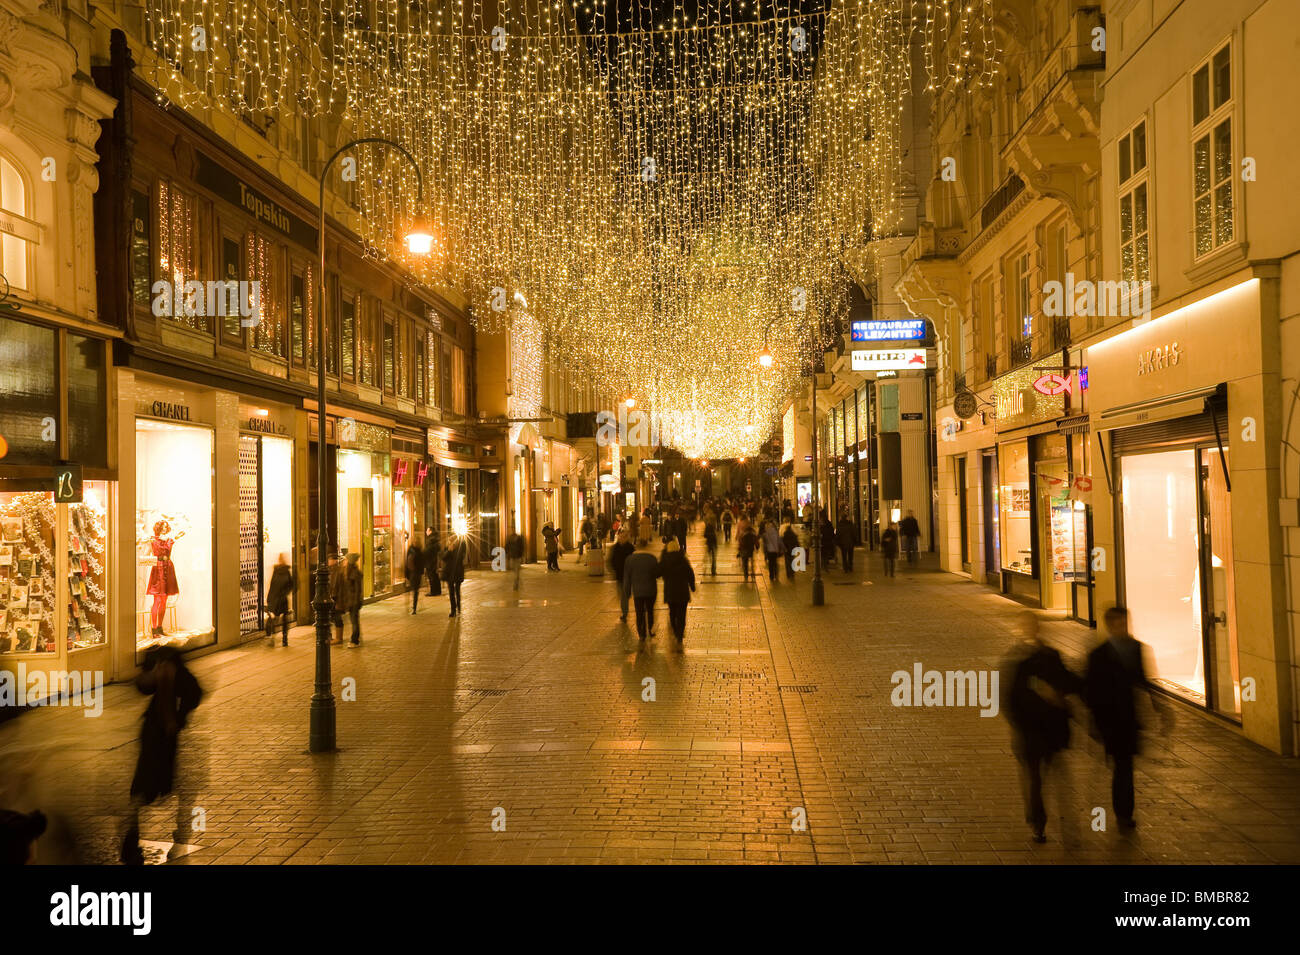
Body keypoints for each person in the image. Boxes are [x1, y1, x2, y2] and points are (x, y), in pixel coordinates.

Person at [1084, 605, 1171, 830]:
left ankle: (1125, 812)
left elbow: (1144, 680)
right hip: (1110, 721)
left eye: (1125, 623)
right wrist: (1094, 723)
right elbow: (1091, 692)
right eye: (1119, 624)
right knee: (1122, 767)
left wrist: (1161, 707)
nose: (1124, 628)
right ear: (1110, 626)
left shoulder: (1137, 649)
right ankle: (1123, 813)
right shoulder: (1098, 656)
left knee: (1125, 767)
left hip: (1130, 720)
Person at [1003, 612, 1083, 843]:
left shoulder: (1051, 655)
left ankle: (1068, 822)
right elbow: (1011, 699)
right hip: (1030, 731)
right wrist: (1021, 725)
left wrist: (1065, 694)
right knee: (1035, 779)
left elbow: (1068, 681)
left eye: (1034, 625)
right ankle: (1038, 823)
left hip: (1053, 728)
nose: (1031, 629)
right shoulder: (1016, 660)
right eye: (1026, 625)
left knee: (1059, 777)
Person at [119, 645, 202, 864]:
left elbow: (143, 687)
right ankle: (137, 834)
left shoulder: (169, 668)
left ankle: (133, 833)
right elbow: (194, 693)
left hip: (155, 735)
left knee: (147, 786)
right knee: (157, 785)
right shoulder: (173, 669)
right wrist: (180, 717)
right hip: (161, 737)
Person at [623, 535, 661, 641]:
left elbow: (627, 578)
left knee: (639, 612)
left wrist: (627, 592)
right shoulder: (652, 558)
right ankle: (650, 629)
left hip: (638, 591)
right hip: (651, 590)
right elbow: (658, 574)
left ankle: (641, 633)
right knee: (650, 610)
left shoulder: (630, 559)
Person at [659, 538, 696, 643]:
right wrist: (692, 586)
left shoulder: (665, 561)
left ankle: (675, 630)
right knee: (682, 614)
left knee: (672, 612)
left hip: (670, 591)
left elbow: (658, 572)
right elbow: (690, 574)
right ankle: (680, 634)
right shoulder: (683, 560)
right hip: (683, 592)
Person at [331, 552, 364, 645]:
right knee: (353, 620)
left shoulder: (354, 573)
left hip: (353, 601)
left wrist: (356, 601)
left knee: (354, 621)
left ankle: (355, 640)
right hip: (349, 600)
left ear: (349, 561)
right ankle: (355, 638)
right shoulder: (345, 572)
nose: (344, 561)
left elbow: (357, 590)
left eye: (345, 559)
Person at [264, 552, 295, 646]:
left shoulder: (285, 571)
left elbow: (290, 585)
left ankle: (283, 639)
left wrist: (284, 592)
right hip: (277, 598)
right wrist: (269, 598)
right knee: (275, 618)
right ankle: (274, 637)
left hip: (280, 598)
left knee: (282, 619)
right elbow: (273, 585)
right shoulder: (277, 570)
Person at [610, 528, 635, 621]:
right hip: (620, 575)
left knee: (626, 594)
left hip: (629, 575)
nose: (624, 538)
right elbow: (611, 560)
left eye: (625, 536)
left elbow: (634, 560)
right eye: (622, 536)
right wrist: (615, 570)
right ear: (619, 536)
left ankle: (625, 609)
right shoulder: (615, 547)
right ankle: (624, 612)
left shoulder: (630, 547)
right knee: (623, 594)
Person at [442, 532, 468, 618]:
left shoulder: (461, 546)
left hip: (457, 571)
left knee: (457, 590)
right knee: (451, 592)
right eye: (450, 538)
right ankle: (453, 610)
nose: (451, 540)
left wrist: (454, 550)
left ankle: (459, 606)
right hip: (449, 572)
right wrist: (449, 551)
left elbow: (462, 557)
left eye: (452, 538)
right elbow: (443, 558)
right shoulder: (447, 547)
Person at [404, 537, 424, 614]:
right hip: (410, 573)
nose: (415, 543)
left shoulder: (420, 552)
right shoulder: (410, 550)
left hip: (416, 573)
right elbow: (406, 562)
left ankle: (414, 607)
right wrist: (406, 574)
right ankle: (410, 606)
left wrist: (421, 573)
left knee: (415, 591)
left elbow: (422, 563)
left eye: (416, 541)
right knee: (410, 590)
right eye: (414, 541)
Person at [424, 526, 442, 597]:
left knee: (431, 576)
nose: (426, 532)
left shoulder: (430, 540)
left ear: (430, 531)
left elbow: (428, 551)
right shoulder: (436, 539)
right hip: (434, 560)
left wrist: (423, 554)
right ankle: (438, 590)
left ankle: (433, 591)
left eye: (427, 530)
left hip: (430, 561)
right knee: (435, 576)